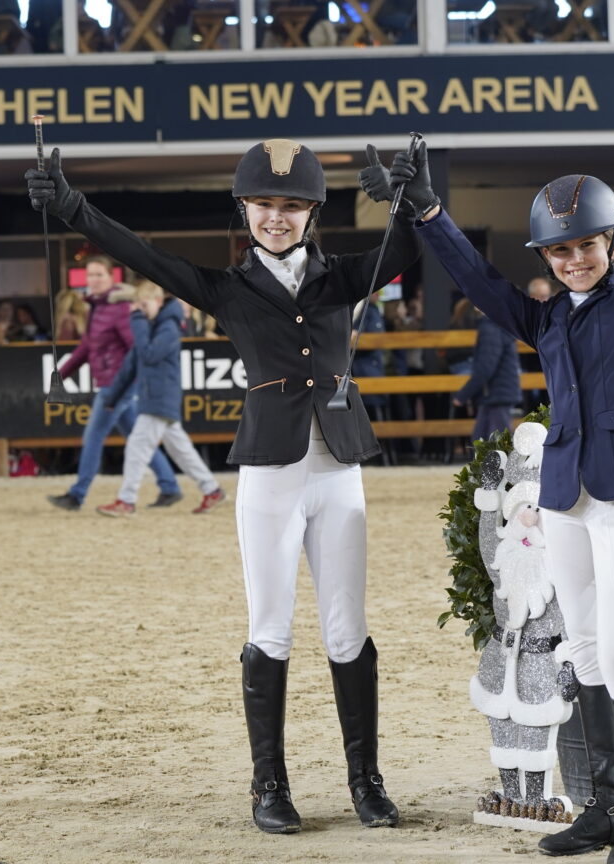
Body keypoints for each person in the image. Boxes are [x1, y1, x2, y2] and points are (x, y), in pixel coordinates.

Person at [371, 84, 614, 864]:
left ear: (611, 243)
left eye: (585, 246)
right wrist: (430, 213)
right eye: (559, 252)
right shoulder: (547, 315)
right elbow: (480, 285)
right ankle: (605, 803)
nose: (571, 259)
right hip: (563, 494)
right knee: (586, 651)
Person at [30, 136, 417, 835]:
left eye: (292, 206)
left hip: (339, 472)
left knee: (347, 630)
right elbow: (143, 255)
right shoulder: (226, 288)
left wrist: (409, 200)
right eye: (265, 205)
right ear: (244, 210)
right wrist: (73, 207)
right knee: (269, 629)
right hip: (270, 474)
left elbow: (409, 250)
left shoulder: (341, 277)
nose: (277, 218)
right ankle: (268, 786)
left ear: (312, 213)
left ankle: (367, 781)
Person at [44, 256, 181, 511]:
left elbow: (136, 348)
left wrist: (128, 384)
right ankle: (170, 486)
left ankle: (77, 494)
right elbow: (85, 347)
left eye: (99, 275)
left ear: (111, 278)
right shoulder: (97, 307)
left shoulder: (118, 308)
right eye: (90, 275)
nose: (93, 280)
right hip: (113, 383)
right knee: (137, 438)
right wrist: (60, 374)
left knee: (94, 436)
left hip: (117, 384)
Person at [94, 282, 226, 518]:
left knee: (137, 447)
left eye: (144, 305)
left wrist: (136, 320)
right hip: (157, 398)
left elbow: (148, 355)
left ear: (157, 301)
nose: (140, 311)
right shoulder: (154, 326)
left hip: (159, 399)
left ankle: (126, 500)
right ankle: (212, 489)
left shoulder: (168, 327)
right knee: (181, 449)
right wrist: (113, 396)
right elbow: (131, 364)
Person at [452, 303, 522, 442]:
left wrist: (463, 394)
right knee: (483, 442)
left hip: (496, 393)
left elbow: (485, 367)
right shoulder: (496, 325)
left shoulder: (490, 327)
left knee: (495, 445)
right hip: (495, 393)